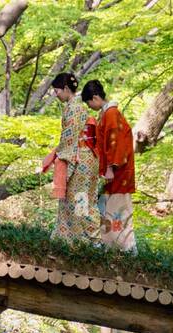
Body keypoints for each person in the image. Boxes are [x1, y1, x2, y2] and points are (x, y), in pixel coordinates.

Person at [43, 72, 99, 245]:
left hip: (80, 159)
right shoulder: (77, 107)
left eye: (57, 91)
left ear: (66, 89)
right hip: (85, 157)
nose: (56, 95)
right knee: (75, 199)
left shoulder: (74, 108)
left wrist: (59, 157)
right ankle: (72, 240)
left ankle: (94, 239)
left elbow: (69, 139)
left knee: (81, 199)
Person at [82, 79, 137, 253]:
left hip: (118, 172)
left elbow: (115, 143)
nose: (90, 106)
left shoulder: (112, 114)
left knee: (117, 208)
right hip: (114, 173)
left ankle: (125, 248)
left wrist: (110, 168)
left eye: (90, 102)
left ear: (96, 97)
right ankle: (113, 247)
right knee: (109, 209)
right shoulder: (107, 114)